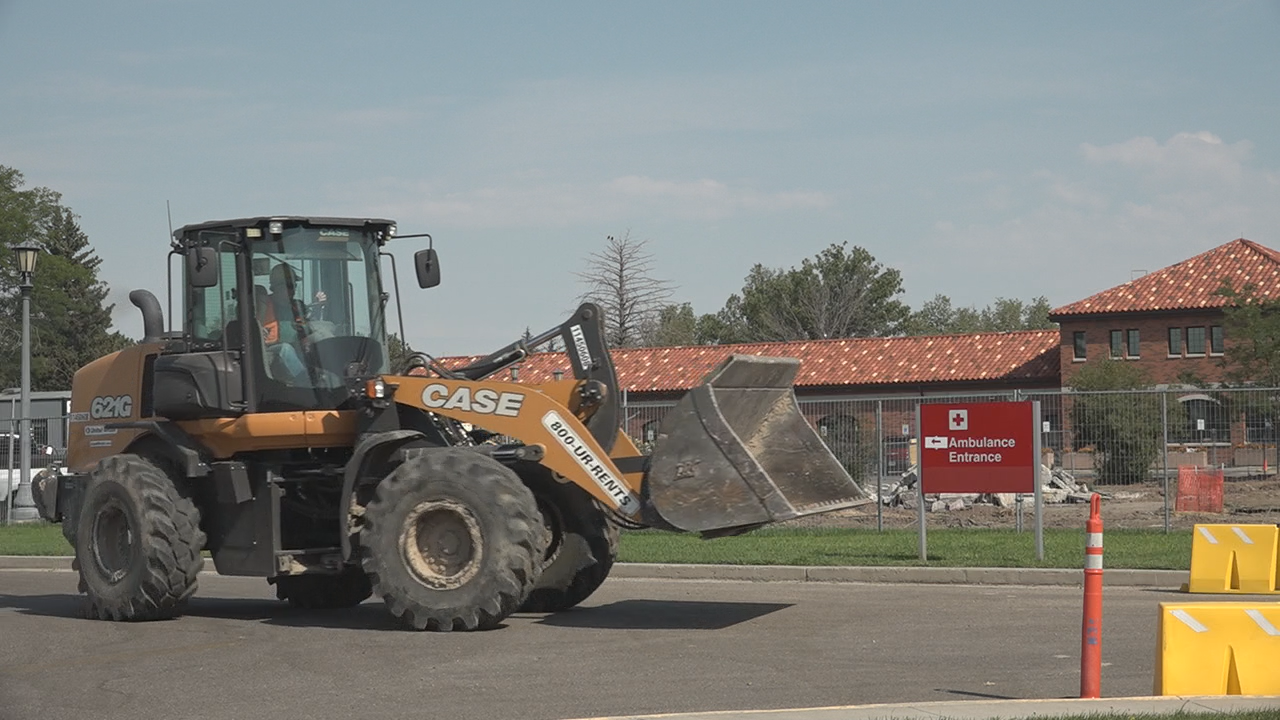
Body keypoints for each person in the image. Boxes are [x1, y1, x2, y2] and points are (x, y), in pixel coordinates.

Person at [259, 264, 311, 383]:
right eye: (289, 286)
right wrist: (260, 330)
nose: (293, 290)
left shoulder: (297, 306)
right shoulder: (264, 304)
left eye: (294, 286)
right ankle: (305, 381)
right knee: (286, 349)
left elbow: (305, 330)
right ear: (277, 287)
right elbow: (254, 328)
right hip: (270, 348)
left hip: (296, 346)